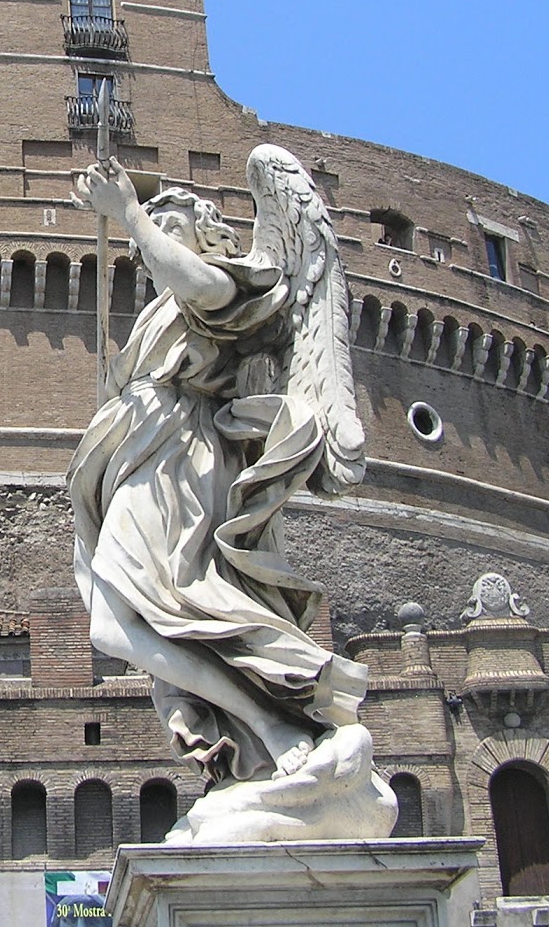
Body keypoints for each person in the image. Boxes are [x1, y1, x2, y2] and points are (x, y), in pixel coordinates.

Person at [67, 150, 391, 842]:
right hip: (139, 458)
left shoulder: (230, 282)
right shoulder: (160, 311)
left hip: (179, 461)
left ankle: (275, 721)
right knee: (112, 623)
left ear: (208, 232)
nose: (148, 234)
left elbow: (203, 292)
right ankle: (263, 725)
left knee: (156, 607)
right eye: (145, 228)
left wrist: (127, 209)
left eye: (167, 220)